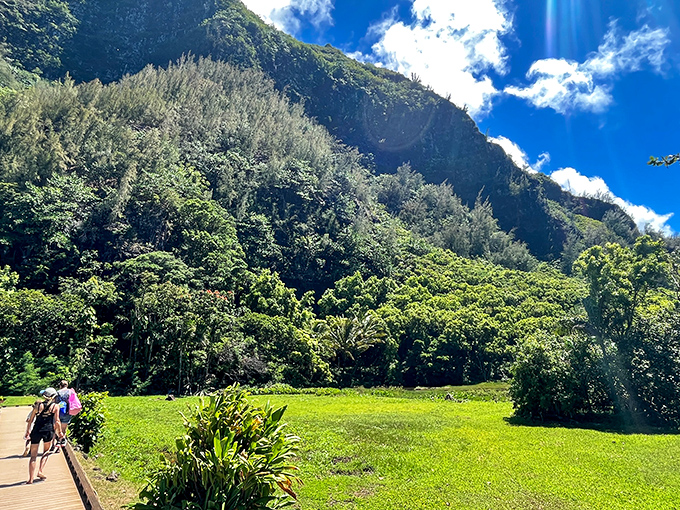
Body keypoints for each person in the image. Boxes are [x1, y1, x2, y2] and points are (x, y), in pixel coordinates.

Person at [24, 387, 64, 484]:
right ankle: (40, 471)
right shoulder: (55, 406)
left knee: (33, 456)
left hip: (36, 431)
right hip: (48, 431)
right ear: (53, 396)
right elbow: (57, 421)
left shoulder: (38, 405)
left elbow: (31, 420)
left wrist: (27, 431)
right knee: (46, 452)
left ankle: (30, 479)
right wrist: (60, 433)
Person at [56, 380, 73, 446]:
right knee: (64, 428)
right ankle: (62, 441)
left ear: (60, 386)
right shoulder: (70, 392)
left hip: (59, 412)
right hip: (67, 412)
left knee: (58, 427)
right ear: (67, 385)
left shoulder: (57, 392)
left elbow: (56, 402)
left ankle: (58, 440)